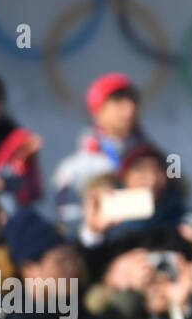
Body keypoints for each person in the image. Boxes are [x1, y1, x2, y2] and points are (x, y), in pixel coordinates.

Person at [51, 72, 152, 227]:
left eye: (133, 101)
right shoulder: (73, 169)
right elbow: (66, 223)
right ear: (98, 110)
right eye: (118, 101)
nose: (130, 109)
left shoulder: (152, 160)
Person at [0, 66, 44, 213]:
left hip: (10, 224)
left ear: (0, 100)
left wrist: (6, 184)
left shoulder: (21, 142)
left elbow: (35, 191)